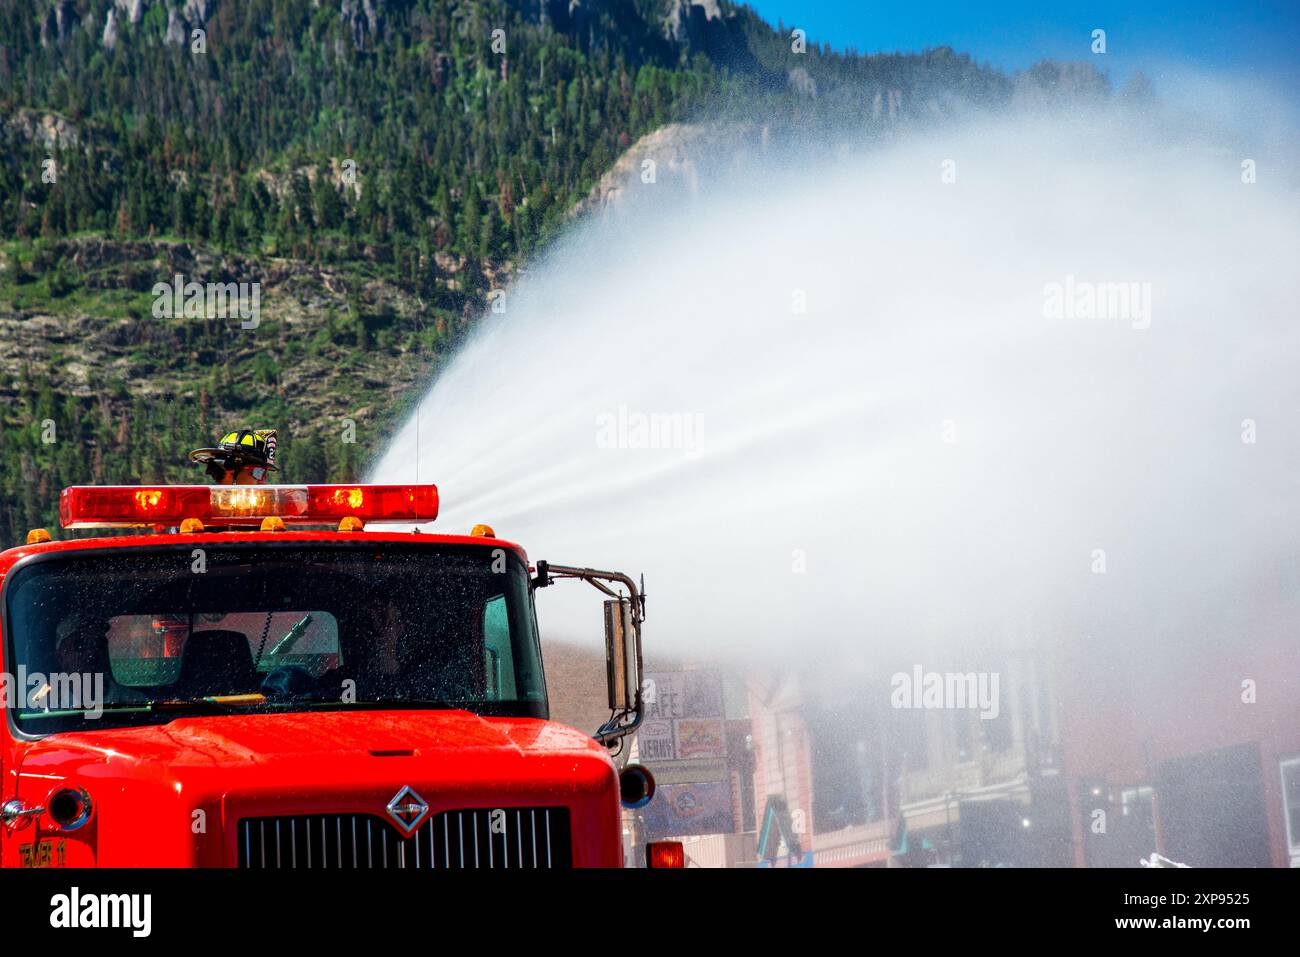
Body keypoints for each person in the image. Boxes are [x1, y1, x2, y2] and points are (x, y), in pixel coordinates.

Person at [188, 429, 279, 485]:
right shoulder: (202, 507)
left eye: (264, 474)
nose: (264, 481)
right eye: (258, 473)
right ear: (230, 472)